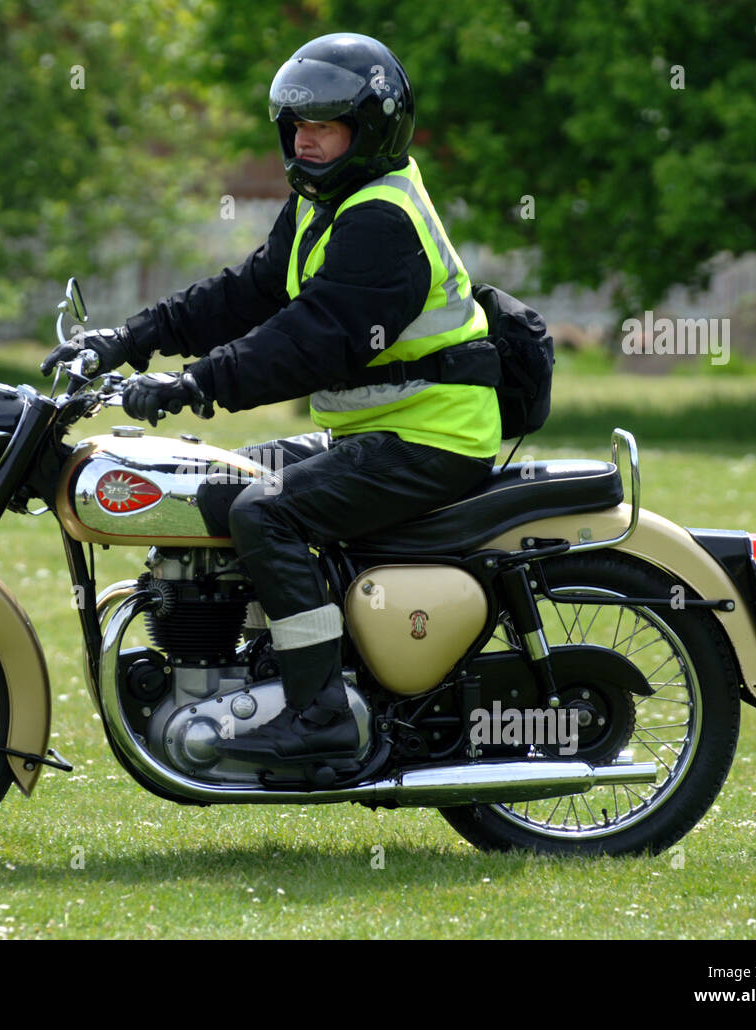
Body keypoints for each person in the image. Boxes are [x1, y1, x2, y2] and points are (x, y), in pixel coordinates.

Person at [41, 32, 500, 765]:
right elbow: (246, 294)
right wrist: (126, 338)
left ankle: (321, 715)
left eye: (326, 127)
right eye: (298, 127)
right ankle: (257, 676)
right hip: (375, 433)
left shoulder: (382, 221)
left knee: (267, 511)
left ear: (370, 129)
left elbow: (310, 341)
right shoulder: (326, 205)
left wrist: (193, 383)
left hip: (434, 437)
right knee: (215, 489)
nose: (307, 142)